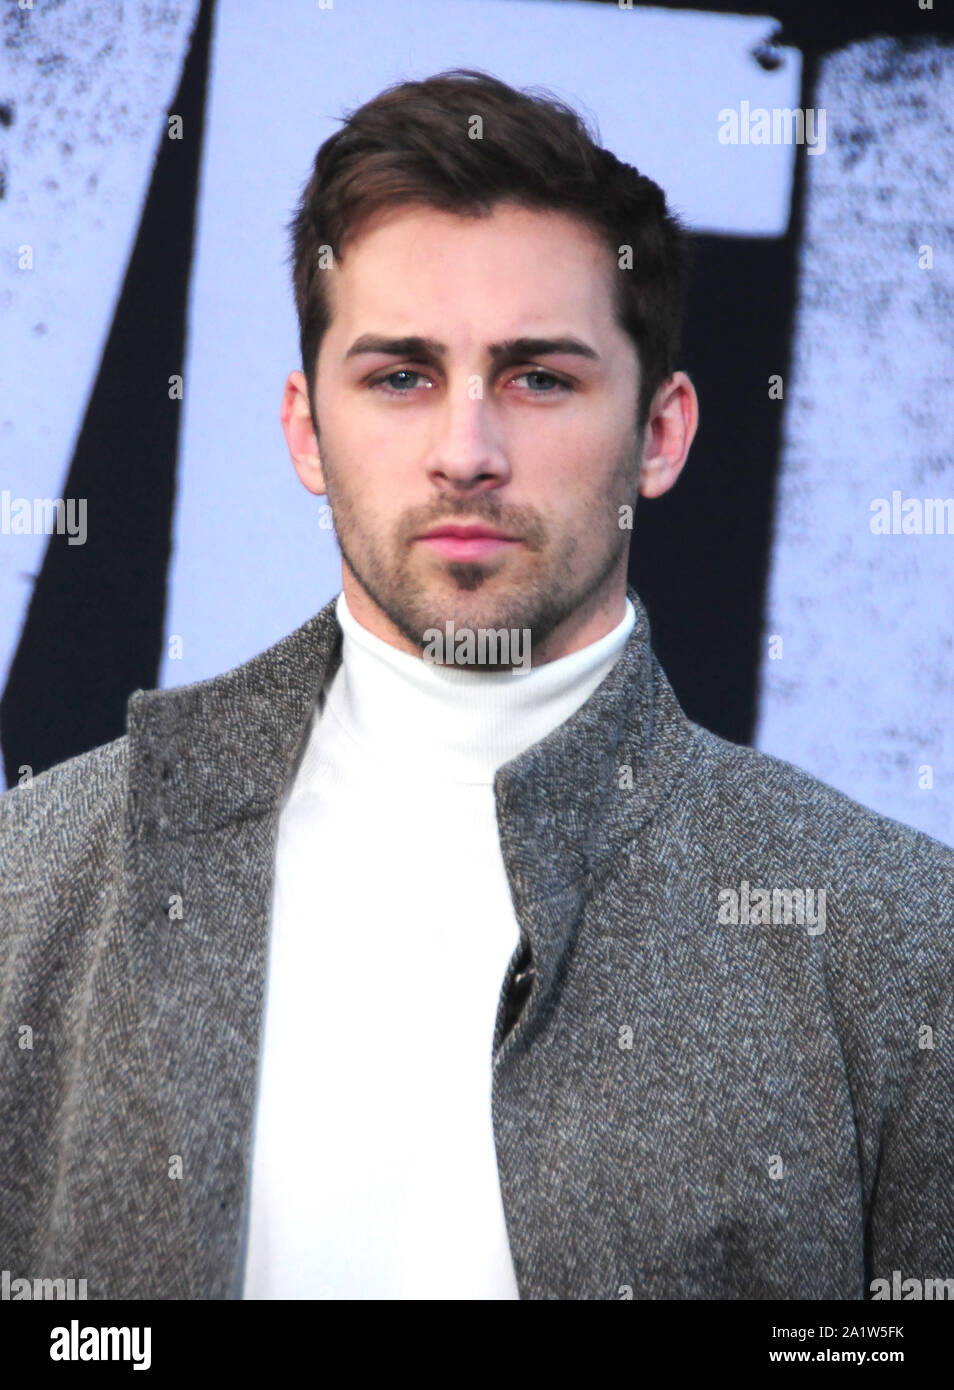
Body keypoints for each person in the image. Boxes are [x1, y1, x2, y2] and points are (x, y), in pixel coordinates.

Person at [1, 68, 951, 1302]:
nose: (466, 453)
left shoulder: (894, 937)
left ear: (660, 433)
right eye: (400, 375)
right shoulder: (34, 879)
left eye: (537, 377)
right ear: (305, 430)